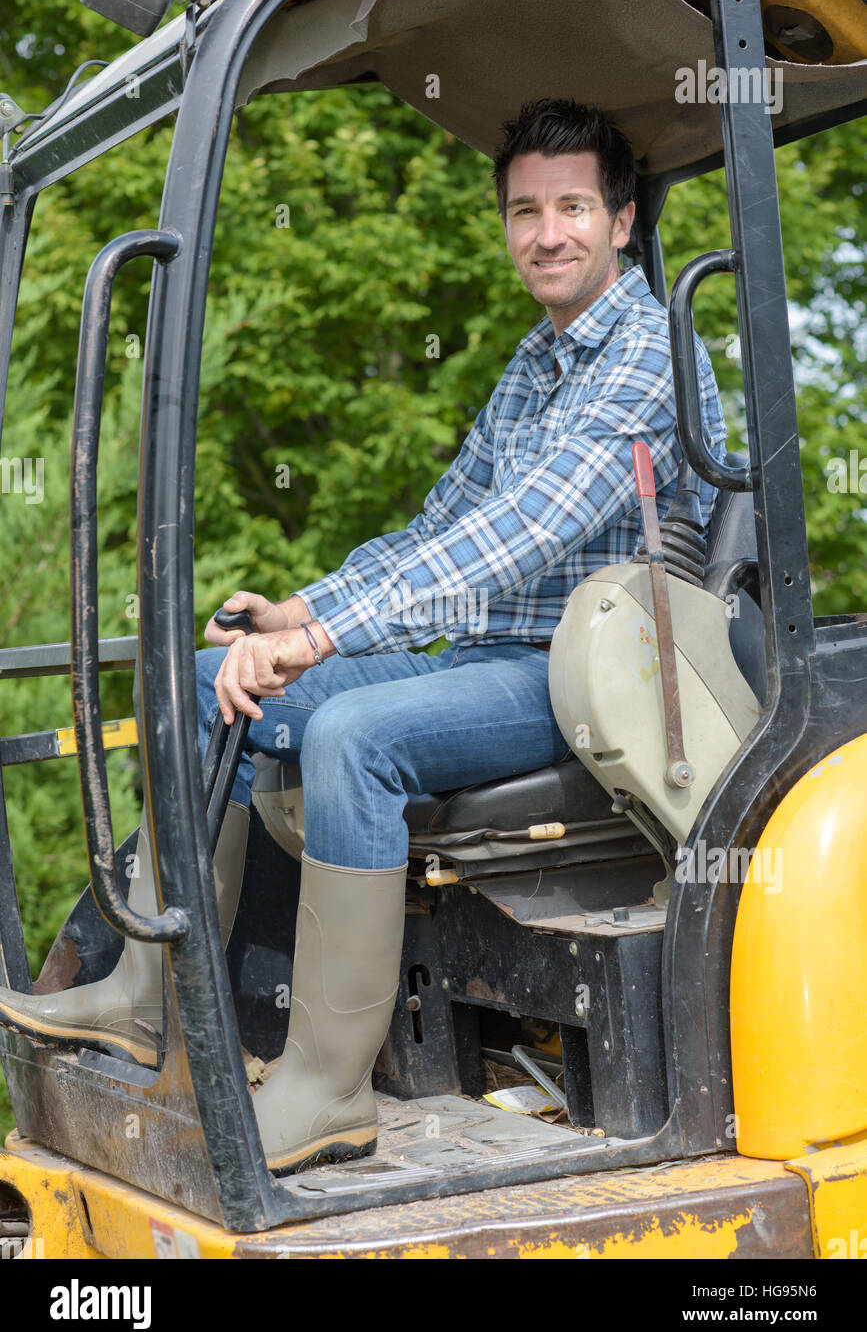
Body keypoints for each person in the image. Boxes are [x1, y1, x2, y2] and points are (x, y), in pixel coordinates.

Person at [0, 99, 727, 1175]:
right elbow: (439, 526)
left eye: (574, 206)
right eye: (525, 210)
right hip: (491, 661)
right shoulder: (539, 363)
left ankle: (325, 1088)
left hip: (595, 683)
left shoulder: (647, 356)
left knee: (352, 735)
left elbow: (518, 538)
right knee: (208, 683)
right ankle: (143, 993)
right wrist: (301, 609)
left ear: (620, 221)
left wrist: (329, 639)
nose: (548, 232)